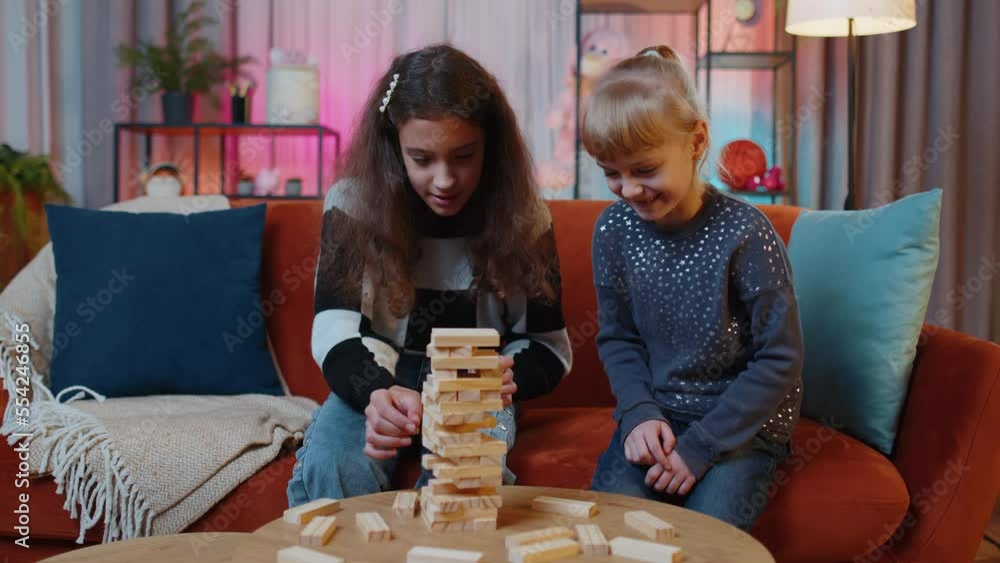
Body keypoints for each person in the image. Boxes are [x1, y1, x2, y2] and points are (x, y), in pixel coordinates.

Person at [286, 44, 572, 506]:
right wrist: (376, 394)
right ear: (393, 147)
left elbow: (549, 347)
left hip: (478, 391)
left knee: (470, 480)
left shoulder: (525, 216)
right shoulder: (352, 203)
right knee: (332, 464)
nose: (444, 180)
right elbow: (333, 331)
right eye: (422, 159)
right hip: (378, 374)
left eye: (463, 156)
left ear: (490, 146)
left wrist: (503, 375)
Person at [584, 45, 803, 531]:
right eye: (611, 174)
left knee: (707, 539)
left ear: (697, 141)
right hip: (660, 415)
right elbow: (619, 339)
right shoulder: (613, 231)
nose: (629, 189)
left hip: (741, 426)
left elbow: (780, 358)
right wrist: (639, 414)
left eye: (644, 170)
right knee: (606, 529)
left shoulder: (746, 234)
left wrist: (703, 446)